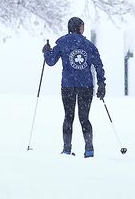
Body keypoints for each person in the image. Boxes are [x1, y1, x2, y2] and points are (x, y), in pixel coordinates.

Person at [42, 16, 106, 157]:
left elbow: (51, 61)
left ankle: (66, 149)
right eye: (83, 26)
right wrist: (101, 84)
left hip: (68, 86)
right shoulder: (89, 45)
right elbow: (99, 66)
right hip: (86, 86)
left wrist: (46, 51)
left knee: (68, 117)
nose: (84, 28)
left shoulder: (62, 43)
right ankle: (89, 149)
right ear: (79, 27)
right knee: (84, 118)